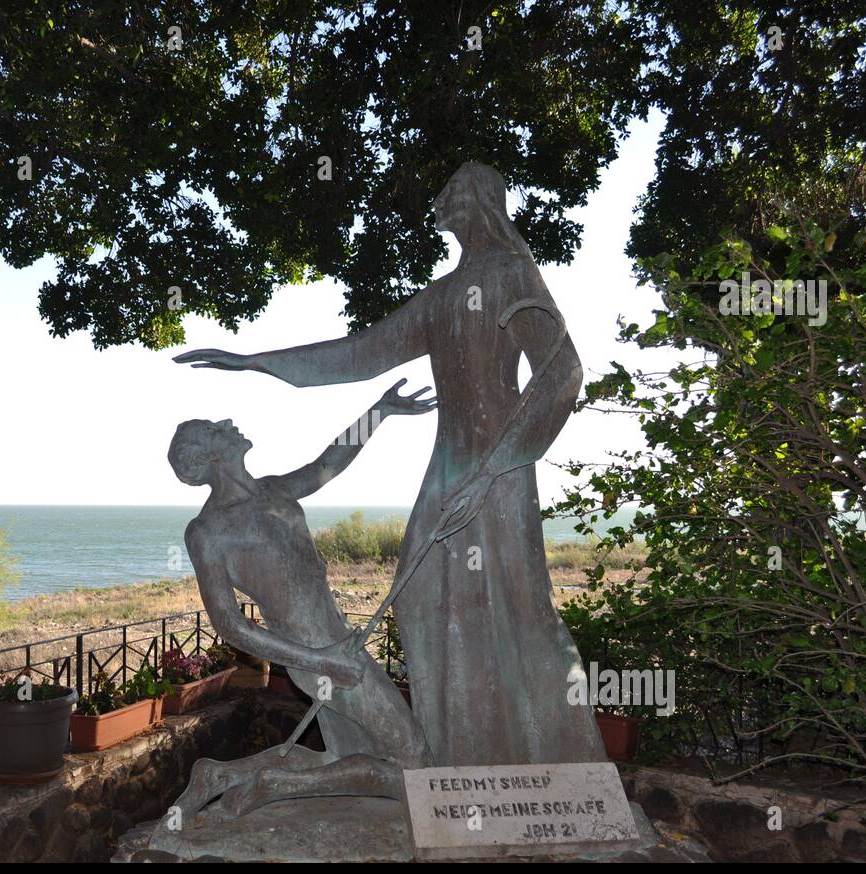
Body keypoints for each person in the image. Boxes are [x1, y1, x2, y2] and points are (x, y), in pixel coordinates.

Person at [175, 161, 606, 766]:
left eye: (451, 187)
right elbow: (358, 353)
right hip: (450, 467)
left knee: (512, 598)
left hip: (501, 468)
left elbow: (563, 372)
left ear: (481, 200)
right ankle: (462, 756)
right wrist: (256, 361)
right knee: (424, 598)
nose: (439, 197)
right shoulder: (442, 296)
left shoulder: (512, 272)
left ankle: (542, 754)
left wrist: (496, 468)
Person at [163, 381, 431, 821]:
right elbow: (231, 626)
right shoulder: (207, 532)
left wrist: (378, 412)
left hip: (341, 644)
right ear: (201, 459)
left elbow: (327, 463)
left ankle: (217, 776)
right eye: (213, 429)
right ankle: (276, 785)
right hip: (319, 658)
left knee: (346, 757)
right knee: (416, 765)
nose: (227, 424)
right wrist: (321, 661)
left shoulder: (274, 491)